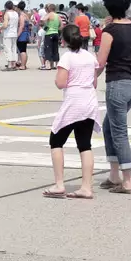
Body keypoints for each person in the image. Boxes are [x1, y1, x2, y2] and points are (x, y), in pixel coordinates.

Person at [96, 0, 131, 194]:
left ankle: (127, 181)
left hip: (118, 84)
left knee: (119, 132)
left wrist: (89, 81)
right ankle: (114, 175)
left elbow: (100, 62)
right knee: (109, 127)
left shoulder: (109, 32)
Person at [43, 25, 99, 199]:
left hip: (74, 102)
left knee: (56, 140)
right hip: (89, 101)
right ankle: (86, 187)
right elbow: (95, 82)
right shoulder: (90, 57)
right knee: (85, 144)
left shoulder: (67, 58)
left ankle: (59, 184)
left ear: (64, 40)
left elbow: (61, 82)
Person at [40, 4, 61, 70]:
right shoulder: (58, 16)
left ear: (49, 9)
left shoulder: (50, 14)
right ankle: (57, 64)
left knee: (48, 49)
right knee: (55, 50)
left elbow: (42, 20)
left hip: (49, 33)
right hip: (56, 33)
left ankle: (48, 66)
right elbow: (62, 25)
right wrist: (56, 28)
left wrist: (45, 26)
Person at [1, 1, 19, 70]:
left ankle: (9, 65)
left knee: (7, 49)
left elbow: (5, 25)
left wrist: (1, 27)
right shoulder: (16, 13)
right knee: (13, 48)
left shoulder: (7, 14)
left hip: (8, 33)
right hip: (14, 33)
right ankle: (14, 63)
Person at [15, 1, 31, 70]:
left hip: (22, 34)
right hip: (26, 33)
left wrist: (17, 35)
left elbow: (21, 26)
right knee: (24, 50)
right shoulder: (26, 15)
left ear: (18, 8)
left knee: (22, 50)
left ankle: (23, 65)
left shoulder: (21, 16)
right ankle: (24, 64)